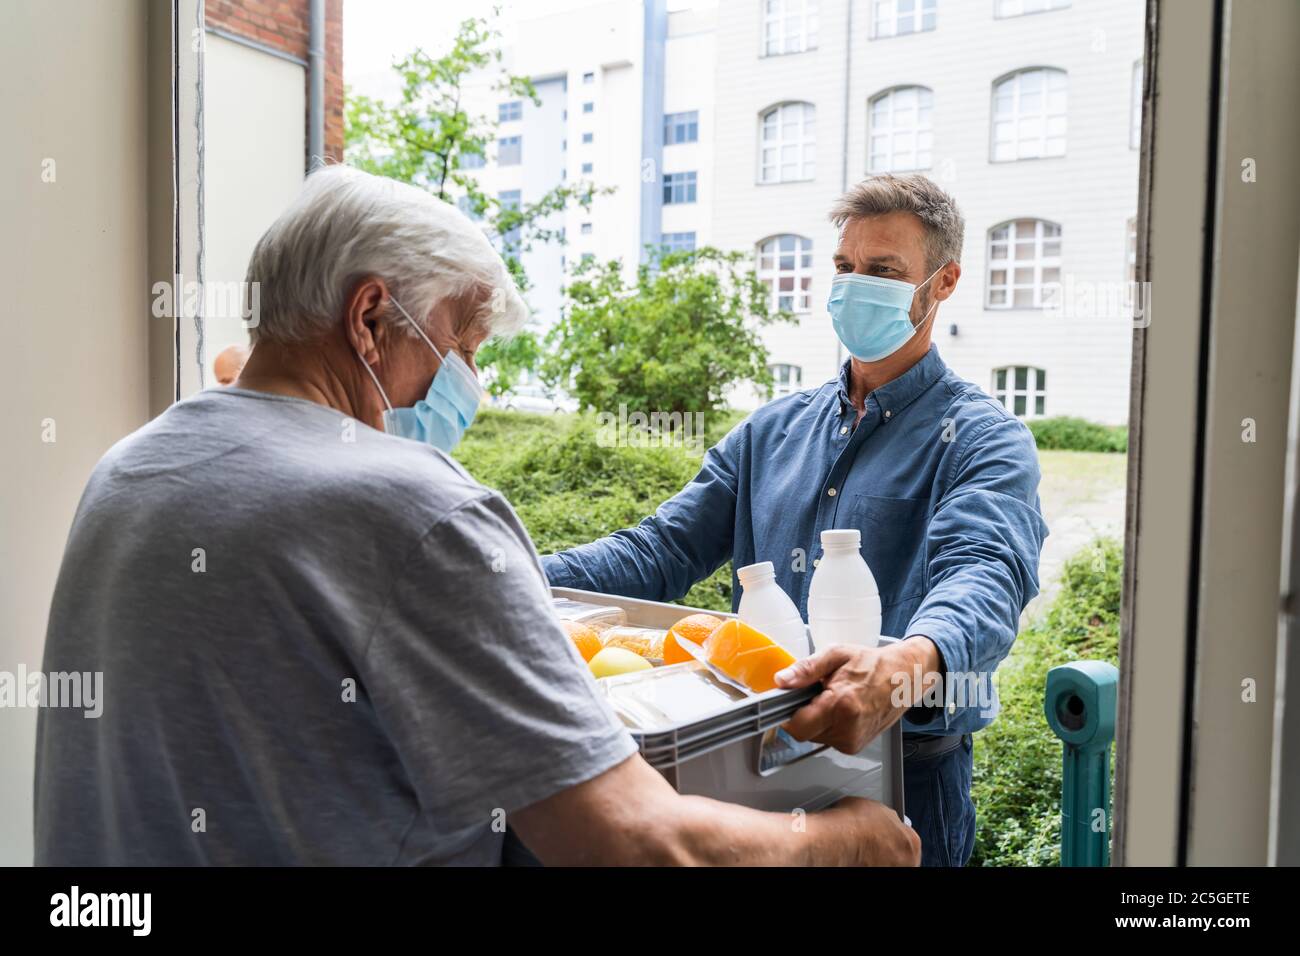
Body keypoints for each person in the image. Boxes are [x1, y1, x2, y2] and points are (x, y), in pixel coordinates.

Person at [33, 165, 917, 867]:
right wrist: (844, 842)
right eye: (460, 343)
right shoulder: (413, 507)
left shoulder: (129, 469)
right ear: (371, 317)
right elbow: (641, 845)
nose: (468, 382)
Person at [543, 173, 1049, 866]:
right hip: (754, 764)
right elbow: (659, 550)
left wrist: (902, 665)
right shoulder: (771, 432)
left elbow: (985, 576)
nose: (854, 285)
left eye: (883, 270)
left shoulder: (985, 440)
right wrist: (512, 575)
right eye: (845, 267)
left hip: (907, 776)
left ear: (944, 281)